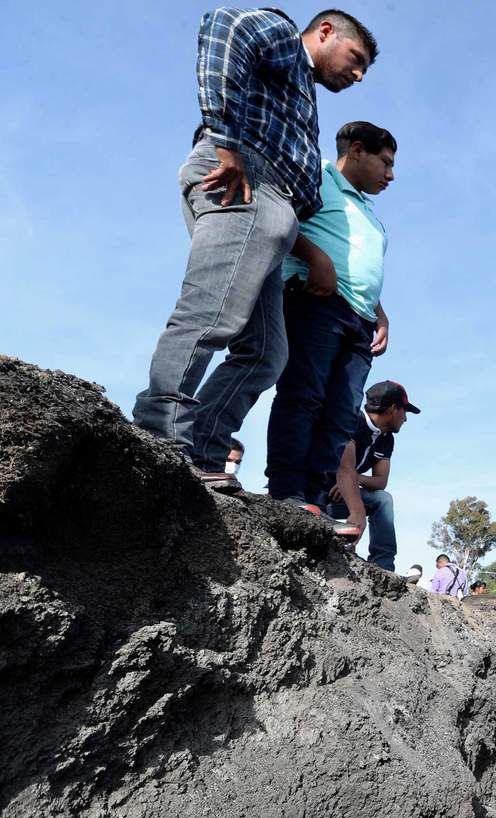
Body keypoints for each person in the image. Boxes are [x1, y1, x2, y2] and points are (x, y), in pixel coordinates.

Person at [132, 9, 378, 491]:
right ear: (326, 32)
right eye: (356, 58)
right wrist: (226, 145)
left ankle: (204, 444)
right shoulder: (284, 38)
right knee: (211, 312)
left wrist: (305, 248)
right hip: (246, 180)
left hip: (272, 206)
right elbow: (226, 26)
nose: (359, 74)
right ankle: (161, 433)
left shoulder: (300, 89)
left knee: (267, 352)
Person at [265, 121, 395, 510]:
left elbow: (362, 270)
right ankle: (286, 492)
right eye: (385, 162)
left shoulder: (369, 211)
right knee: (304, 396)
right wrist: (314, 257)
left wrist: (382, 315)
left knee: (341, 415)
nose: (391, 175)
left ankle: (315, 500)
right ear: (356, 150)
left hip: (361, 322)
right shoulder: (316, 175)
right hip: (317, 300)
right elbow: (278, 216)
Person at [327, 380, 418, 566]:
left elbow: (380, 481)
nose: (406, 419)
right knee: (358, 509)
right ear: (394, 408)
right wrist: (349, 484)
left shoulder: (386, 439)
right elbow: (344, 467)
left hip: (343, 495)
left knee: (382, 499)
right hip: (318, 492)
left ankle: (383, 564)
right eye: (404, 411)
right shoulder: (353, 421)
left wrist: (354, 479)